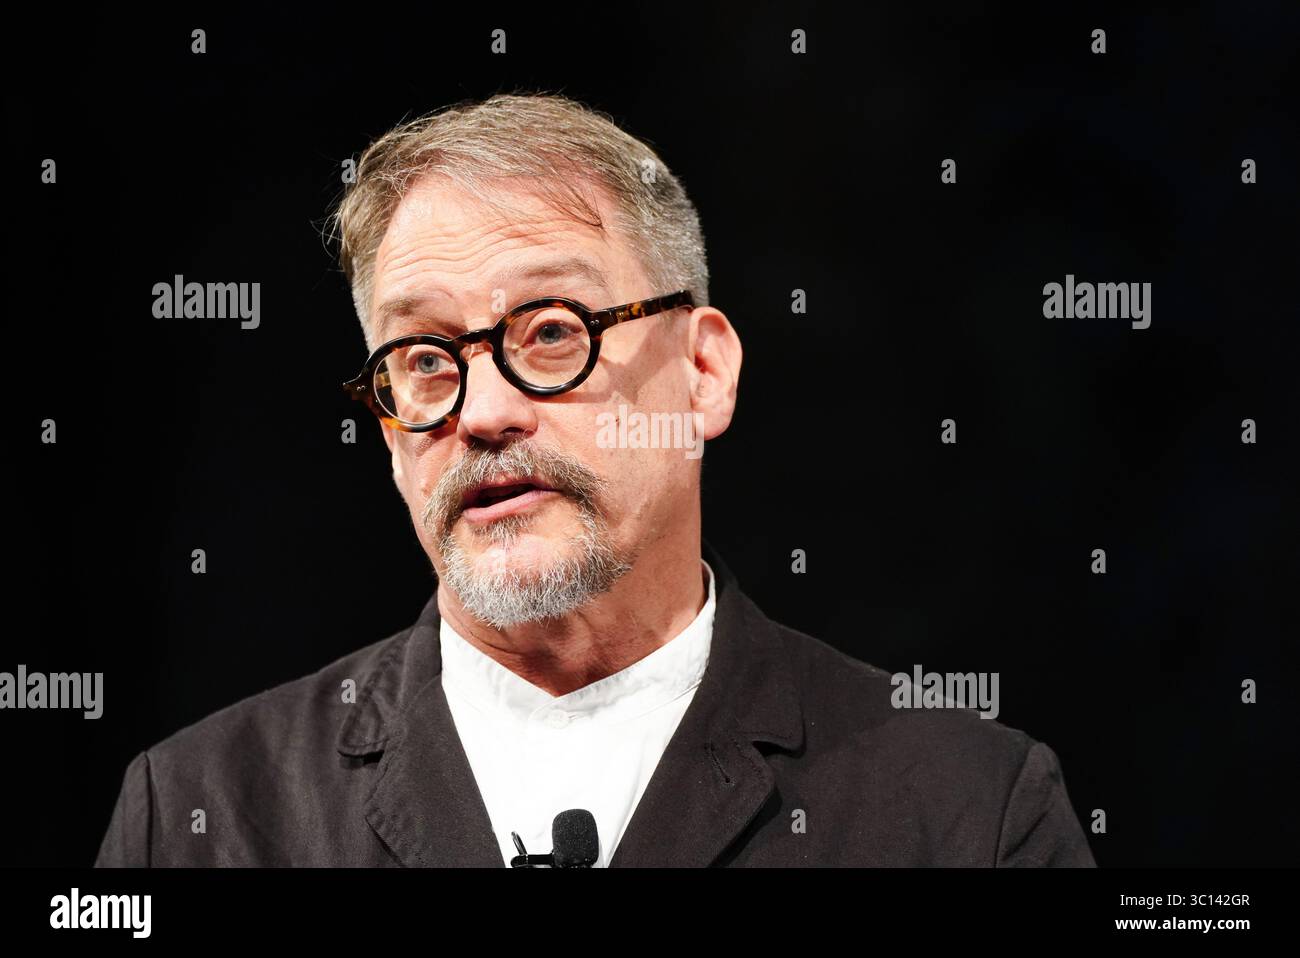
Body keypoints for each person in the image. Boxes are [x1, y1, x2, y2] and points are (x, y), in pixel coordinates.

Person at [95, 93, 1095, 867]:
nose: (483, 412)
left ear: (702, 371)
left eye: (550, 333)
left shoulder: (967, 810)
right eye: (425, 359)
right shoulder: (202, 813)